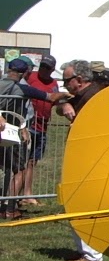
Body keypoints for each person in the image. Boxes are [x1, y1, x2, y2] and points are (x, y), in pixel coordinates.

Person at [58, 59, 105, 261]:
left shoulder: (94, 97)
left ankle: (92, 255)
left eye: (66, 80)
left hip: (90, 158)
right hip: (84, 157)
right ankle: (87, 251)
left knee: (82, 204)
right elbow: (61, 105)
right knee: (76, 202)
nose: (64, 83)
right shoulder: (82, 95)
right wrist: (65, 104)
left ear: (78, 79)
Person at [21, 53, 62, 207]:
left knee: (32, 161)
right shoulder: (30, 77)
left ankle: (27, 194)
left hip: (42, 127)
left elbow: (56, 101)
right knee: (22, 161)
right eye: (42, 66)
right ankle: (19, 194)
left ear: (52, 69)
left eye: (47, 67)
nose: (44, 69)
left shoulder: (54, 83)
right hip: (29, 125)